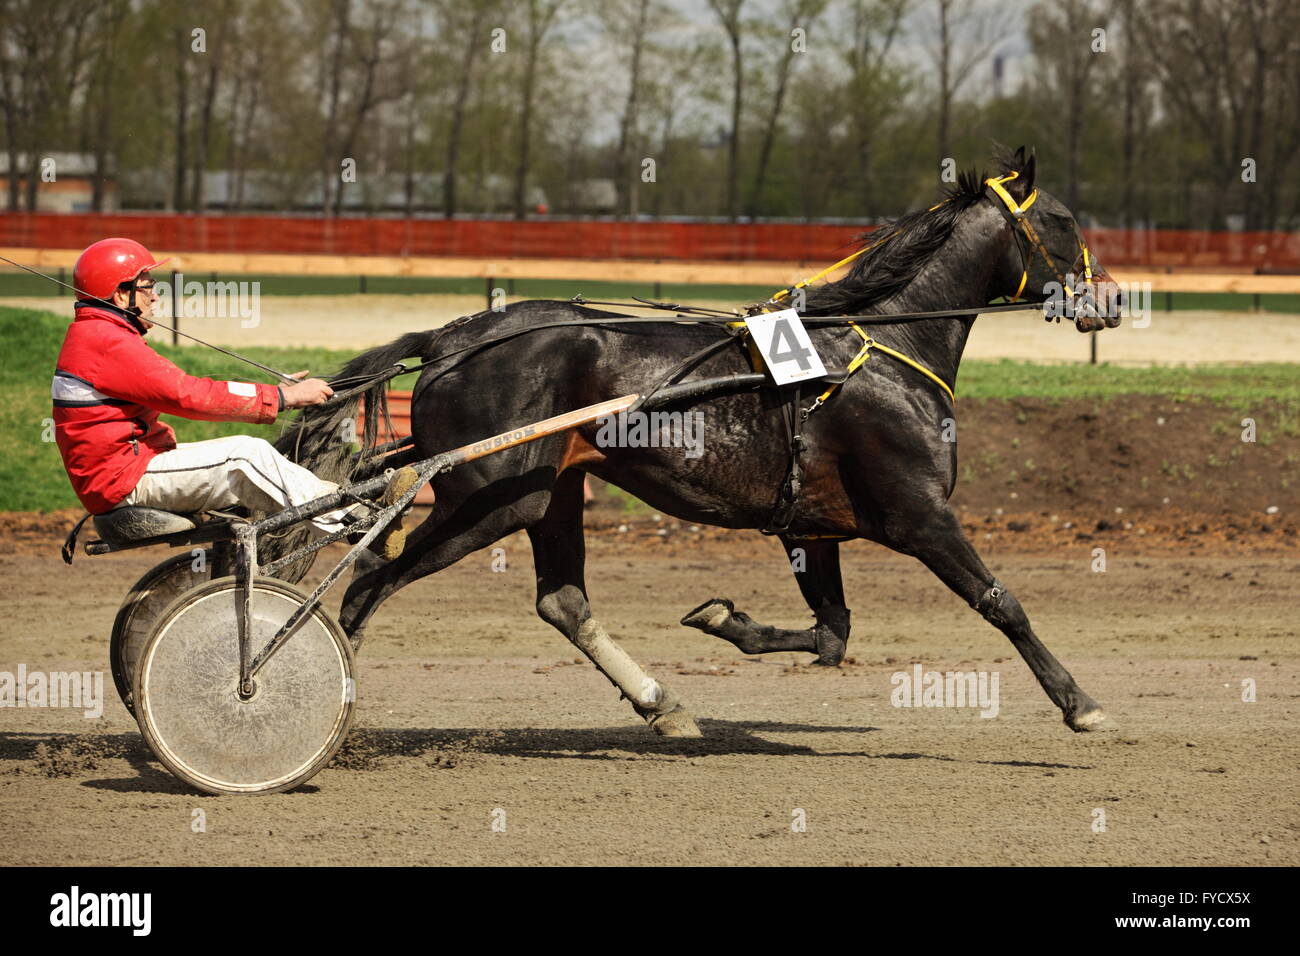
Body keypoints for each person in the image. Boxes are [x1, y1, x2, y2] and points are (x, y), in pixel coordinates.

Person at [52, 237, 411, 553]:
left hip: (123, 472)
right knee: (245, 456)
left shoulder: (98, 337)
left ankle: (343, 503)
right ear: (120, 294)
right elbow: (189, 396)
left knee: (253, 462)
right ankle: (356, 521)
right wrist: (285, 399)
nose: (156, 296)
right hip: (124, 479)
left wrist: (277, 393)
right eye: (148, 287)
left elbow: (188, 391)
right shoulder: (106, 342)